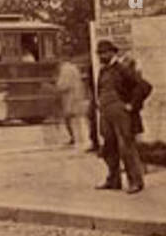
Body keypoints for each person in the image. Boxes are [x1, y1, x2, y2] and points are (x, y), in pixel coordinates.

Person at [94, 39, 151, 194]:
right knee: (108, 147)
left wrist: (132, 105)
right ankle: (113, 180)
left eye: (105, 52)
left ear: (113, 52)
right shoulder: (103, 71)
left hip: (121, 114)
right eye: (100, 53)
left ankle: (135, 182)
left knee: (126, 147)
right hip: (106, 113)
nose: (102, 55)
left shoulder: (122, 69)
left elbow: (144, 86)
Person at [54, 56, 86, 147]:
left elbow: (62, 85)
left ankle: (74, 138)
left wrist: (56, 86)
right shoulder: (74, 68)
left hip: (69, 97)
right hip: (77, 95)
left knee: (68, 118)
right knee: (77, 118)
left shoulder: (65, 69)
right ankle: (80, 138)